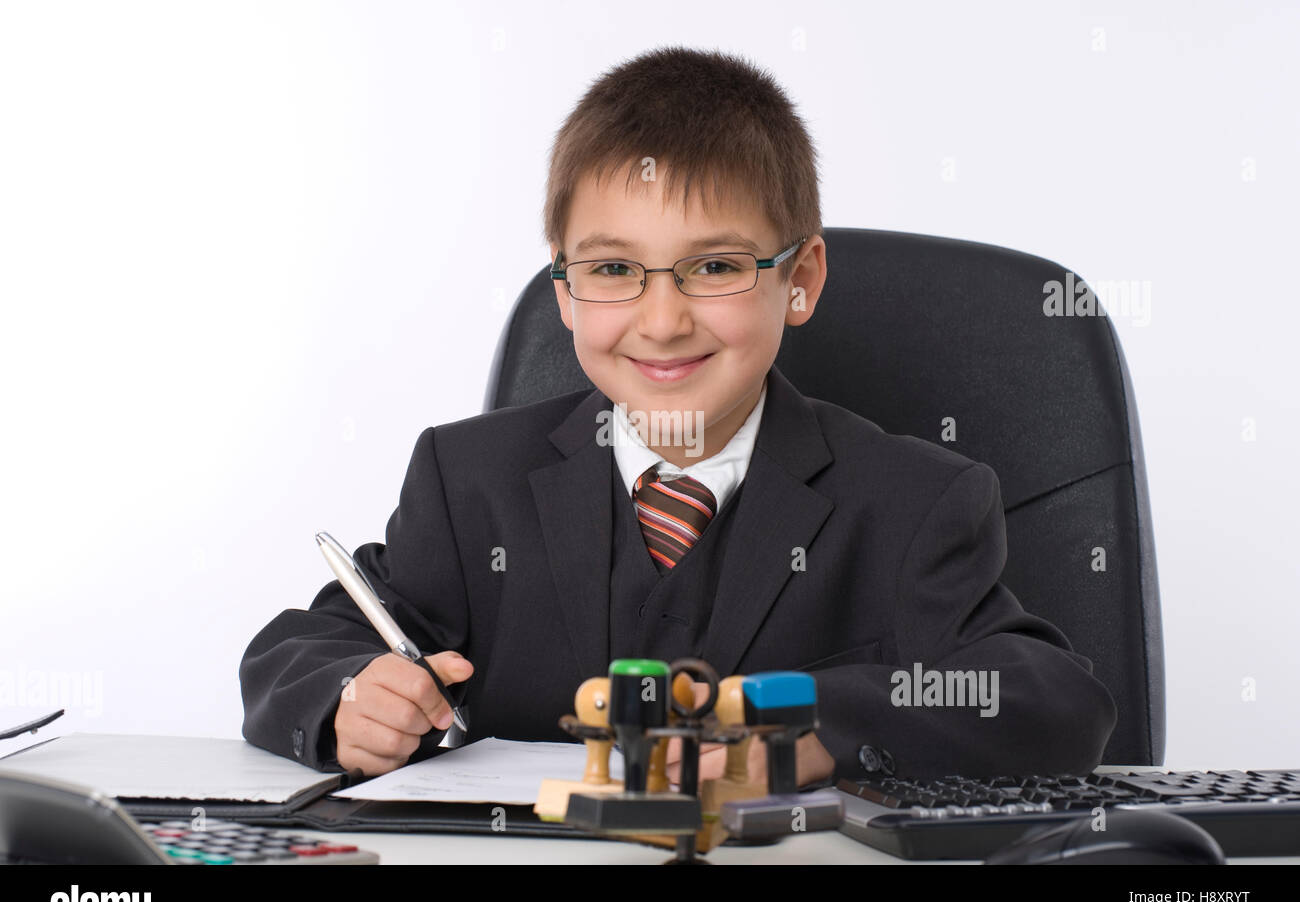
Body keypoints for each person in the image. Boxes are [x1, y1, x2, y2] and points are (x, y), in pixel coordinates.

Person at [240, 45, 1117, 787]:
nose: (662, 321)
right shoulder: (470, 483)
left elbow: (1052, 700)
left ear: (800, 278)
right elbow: (300, 648)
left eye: (715, 267)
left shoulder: (911, 502)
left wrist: (805, 728)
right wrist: (351, 696)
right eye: (615, 270)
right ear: (566, 289)